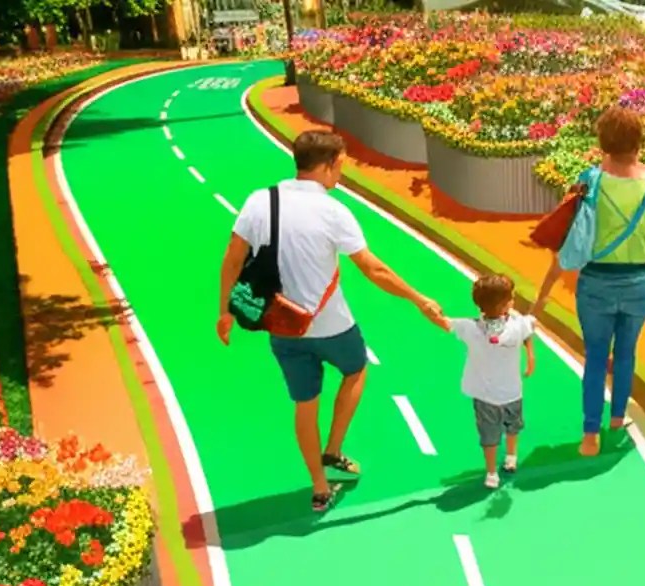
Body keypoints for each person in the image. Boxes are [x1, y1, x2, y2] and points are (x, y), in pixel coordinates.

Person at [217, 129, 443, 513]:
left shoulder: (260, 201)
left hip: (282, 326)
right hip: (332, 325)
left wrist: (224, 311)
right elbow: (375, 270)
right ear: (325, 167)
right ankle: (333, 449)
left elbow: (233, 259)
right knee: (355, 370)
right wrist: (419, 299)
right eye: (339, 165)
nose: (341, 172)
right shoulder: (335, 211)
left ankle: (320, 489)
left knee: (305, 405)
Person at [531, 106, 645, 457]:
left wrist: (542, 295)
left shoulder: (589, 180)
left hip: (595, 282)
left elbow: (571, 233)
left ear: (603, 142)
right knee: (626, 353)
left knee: (596, 356)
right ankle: (617, 418)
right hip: (640, 281)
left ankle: (589, 435)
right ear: (640, 141)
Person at [437, 273, 535, 489]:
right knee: (512, 427)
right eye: (511, 297)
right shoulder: (517, 325)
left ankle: (495, 470)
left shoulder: (469, 327)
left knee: (491, 435)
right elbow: (531, 324)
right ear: (504, 305)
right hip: (508, 394)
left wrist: (427, 308)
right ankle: (509, 458)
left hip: (488, 396)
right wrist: (530, 353)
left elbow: (445, 323)